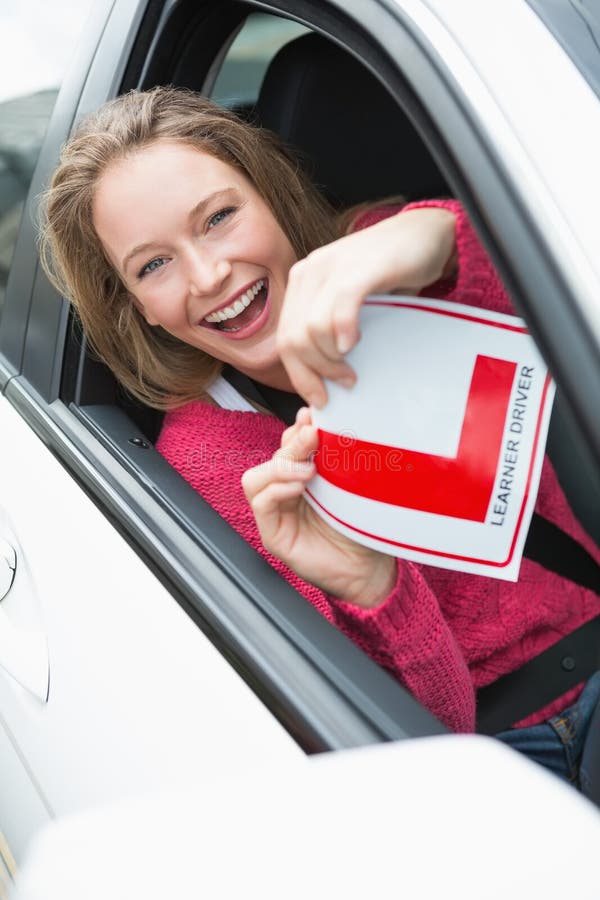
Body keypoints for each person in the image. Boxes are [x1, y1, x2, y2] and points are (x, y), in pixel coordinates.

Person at [39, 86, 600, 787]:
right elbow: (419, 738)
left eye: (219, 218)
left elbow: (569, 269)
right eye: (153, 265)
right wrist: (373, 588)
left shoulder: (396, 265)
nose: (209, 275)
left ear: (269, 194)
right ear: (138, 309)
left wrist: (437, 236)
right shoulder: (211, 471)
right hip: (494, 755)